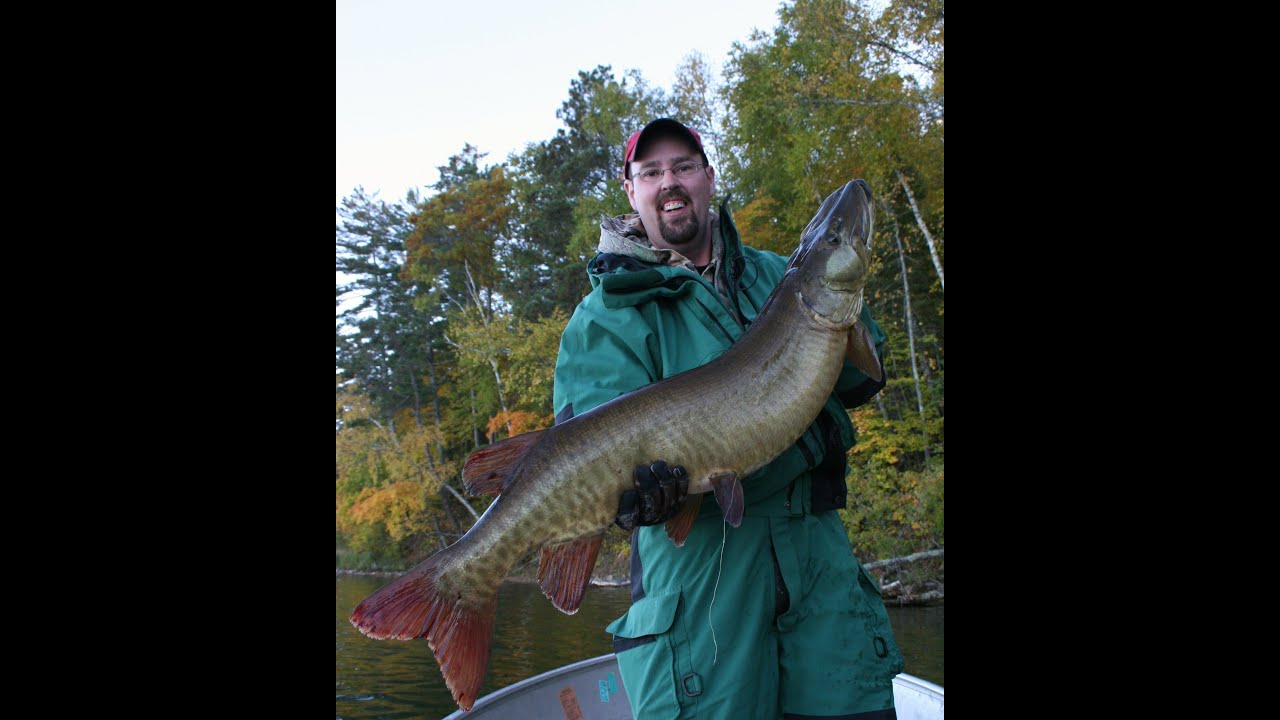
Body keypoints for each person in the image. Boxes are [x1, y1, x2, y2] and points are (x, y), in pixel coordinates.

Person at [552, 118, 904, 719]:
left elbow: (862, 382)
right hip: (699, 588)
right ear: (631, 190)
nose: (670, 182)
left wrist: (846, 311)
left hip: (821, 574)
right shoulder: (605, 318)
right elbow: (587, 439)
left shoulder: (776, 274)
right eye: (651, 171)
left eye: (684, 166)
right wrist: (642, 495)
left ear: (709, 178)